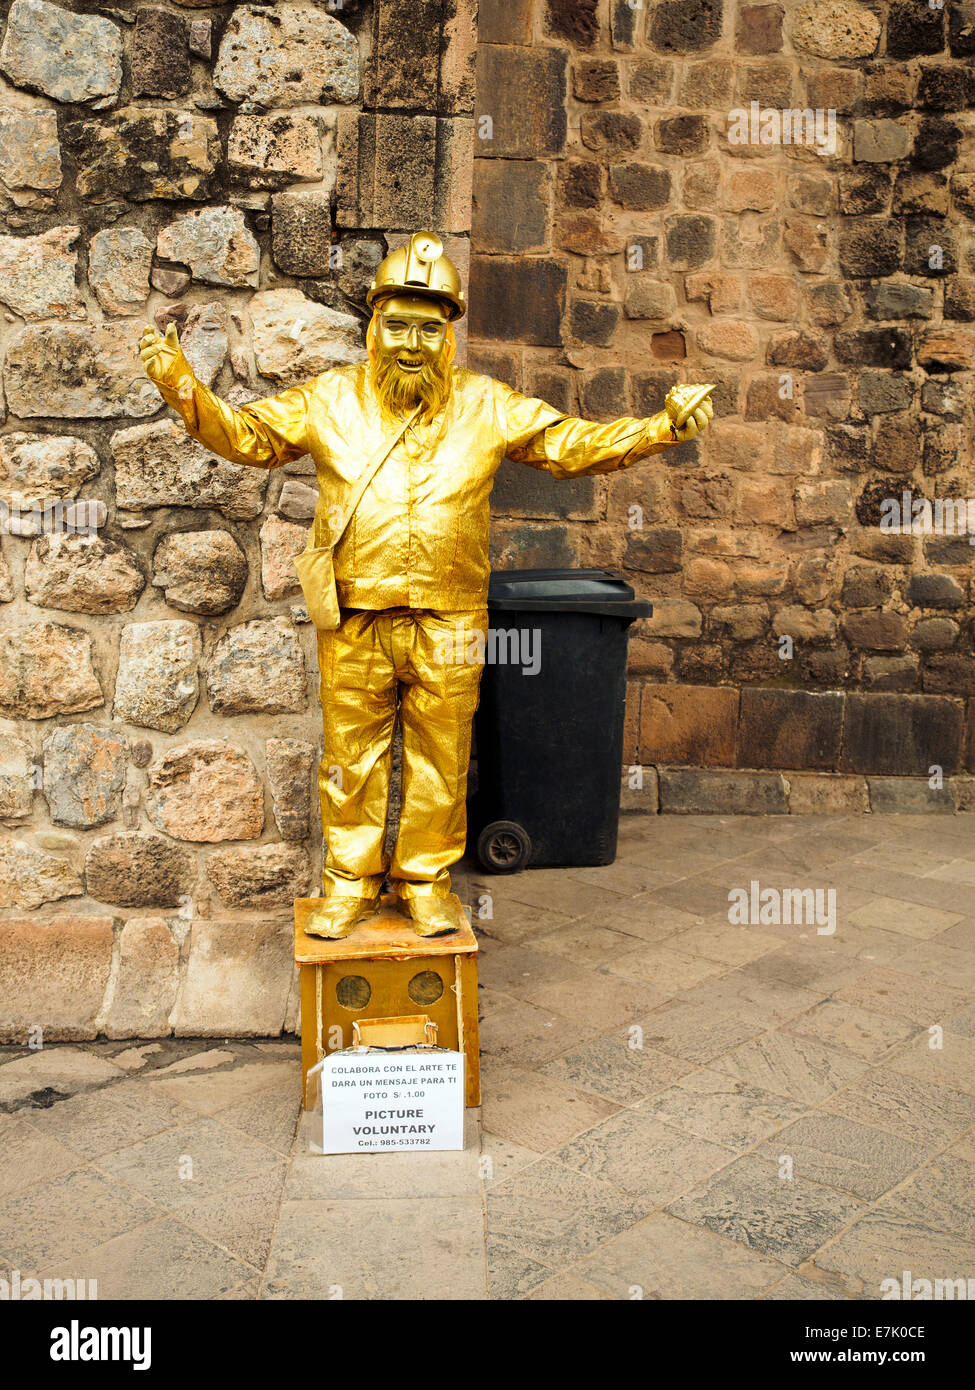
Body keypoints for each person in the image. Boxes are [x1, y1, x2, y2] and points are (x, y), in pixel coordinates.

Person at [140, 231, 713, 939]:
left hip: (450, 619)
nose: (412, 343)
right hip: (356, 615)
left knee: (441, 760)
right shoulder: (329, 399)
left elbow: (570, 444)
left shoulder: (487, 405)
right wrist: (182, 389)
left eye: (429, 328)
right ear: (375, 327)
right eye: (399, 325)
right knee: (352, 761)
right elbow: (248, 437)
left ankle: (424, 882)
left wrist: (659, 428)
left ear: (448, 335)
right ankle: (348, 883)